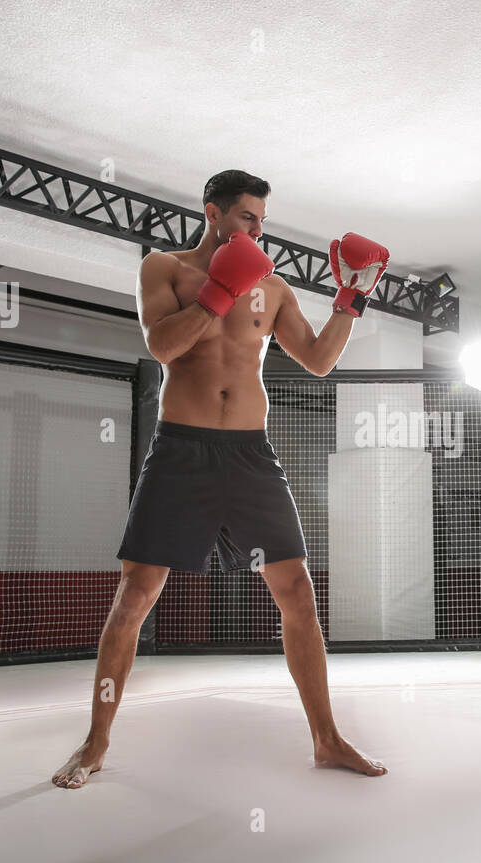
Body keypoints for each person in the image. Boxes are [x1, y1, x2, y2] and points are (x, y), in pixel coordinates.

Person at [54, 169, 389, 788]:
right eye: (248, 219)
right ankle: (96, 741)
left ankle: (327, 738)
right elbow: (162, 346)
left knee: (299, 595)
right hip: (182, 449)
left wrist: (352, 300)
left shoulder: (275, 288)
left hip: (252, 455)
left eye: (263, 220)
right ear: (213, 212)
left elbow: (317, 360)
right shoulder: (165, 268)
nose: (259, 231)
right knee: (134, 597)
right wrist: (217, 293)